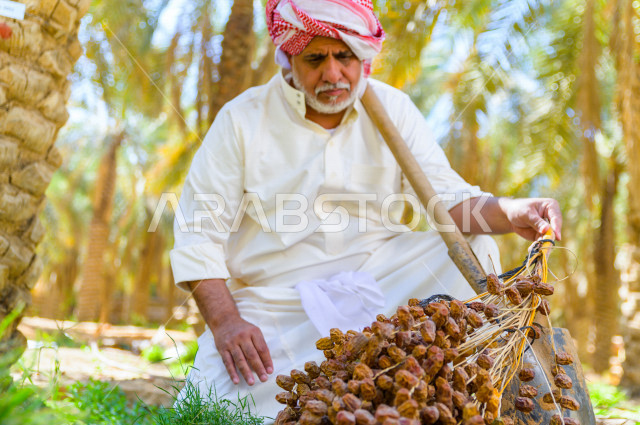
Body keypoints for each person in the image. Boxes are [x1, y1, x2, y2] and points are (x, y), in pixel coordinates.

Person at [169, 0, 563, 421]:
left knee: (477, 242)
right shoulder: (242, 120)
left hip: (382, 287)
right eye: (316, 58)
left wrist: (514, 210)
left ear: (364, 54)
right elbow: (198, 232)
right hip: (278, 304)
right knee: (216, 404)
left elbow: (448, 201)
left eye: (345, 56)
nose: (333, 73)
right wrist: (227, 323)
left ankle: (441, 389)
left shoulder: (393, 109)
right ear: (288, 56)